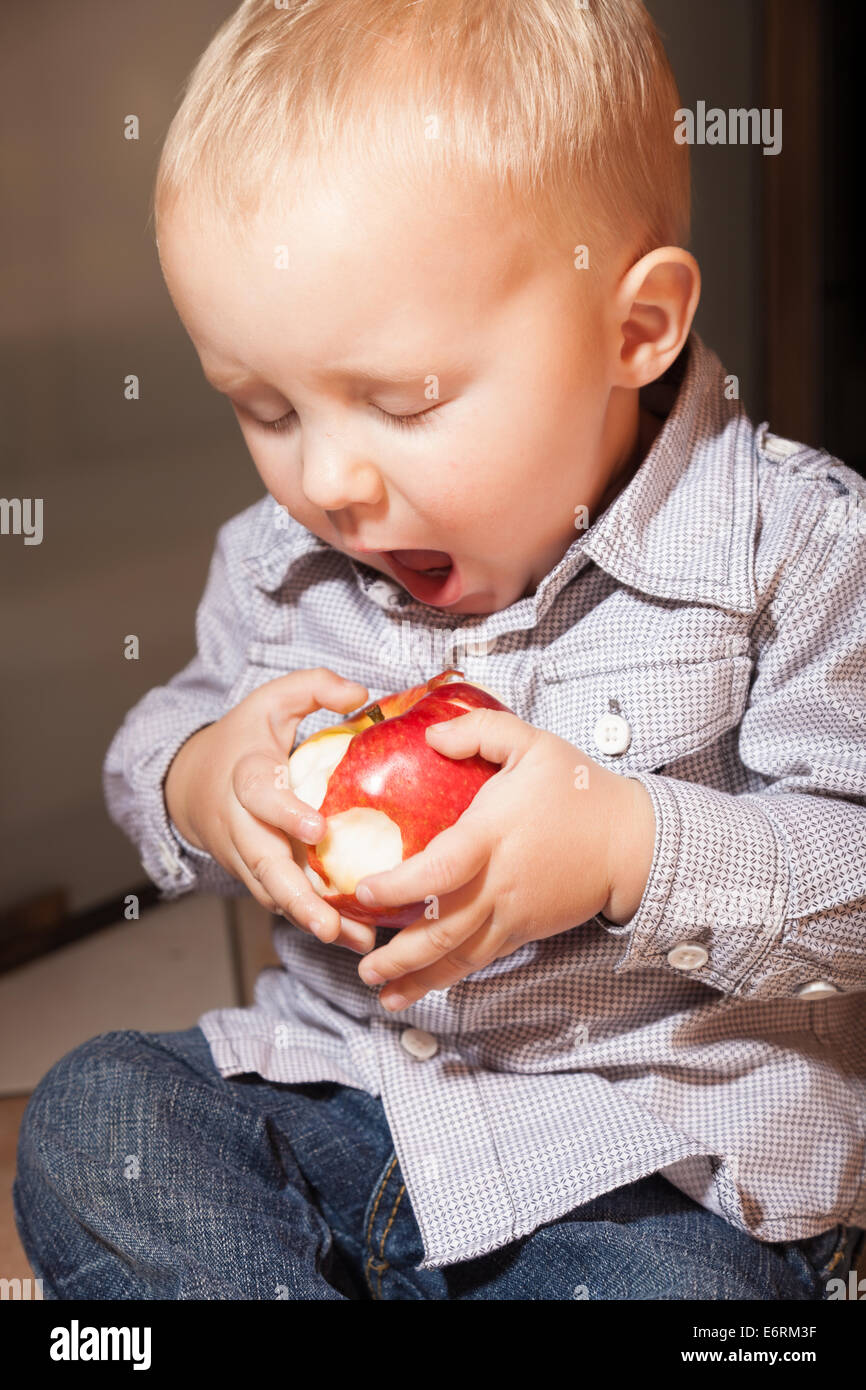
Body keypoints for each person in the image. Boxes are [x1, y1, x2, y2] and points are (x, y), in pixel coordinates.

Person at [15, 0, 866, 1299]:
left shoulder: (790, 546)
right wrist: (203, 780)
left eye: (404, 399)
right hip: (342, 1100)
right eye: (265, 407)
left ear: (632, 331)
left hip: (645, 1161)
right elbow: (155, 750)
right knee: (97, 1120)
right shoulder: (273, 565)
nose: (331, 479)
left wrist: (628, 851)